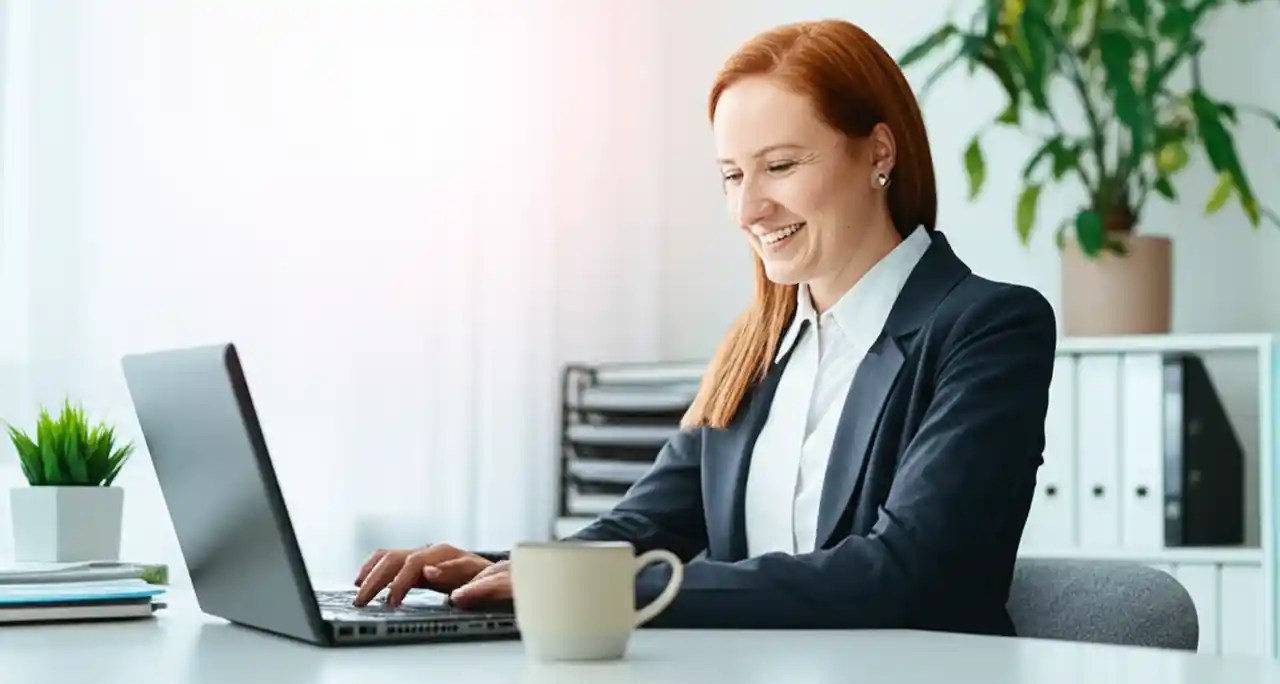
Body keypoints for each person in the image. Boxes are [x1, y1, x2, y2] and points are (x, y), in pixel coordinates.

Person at [352, 18, 1056, 635]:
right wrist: (498, 570)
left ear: (878, 153)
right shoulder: (759, 346)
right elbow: (645, 528)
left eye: (779, 166)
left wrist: (604, 590)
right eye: (731, 175)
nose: (749, 209)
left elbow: (911, 573)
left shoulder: (987, 328)